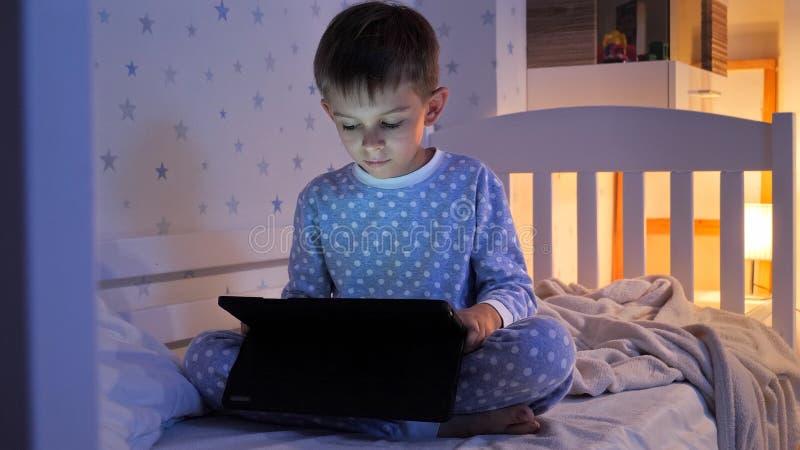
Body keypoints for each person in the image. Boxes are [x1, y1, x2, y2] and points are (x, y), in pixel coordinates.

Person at [185, 1, 575, 440]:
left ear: (432, 108)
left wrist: (483, 319)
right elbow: (305, 302)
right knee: (205, 355)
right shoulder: (320, 198)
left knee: (549, 349)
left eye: (389, 122)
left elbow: (514, 289)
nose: (370, 143)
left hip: (447, 365)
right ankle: (424, 425)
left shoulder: (471, 183)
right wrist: (274, 330)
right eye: (350, 126)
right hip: (351, 367)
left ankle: (387, 418)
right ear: (331, 113)